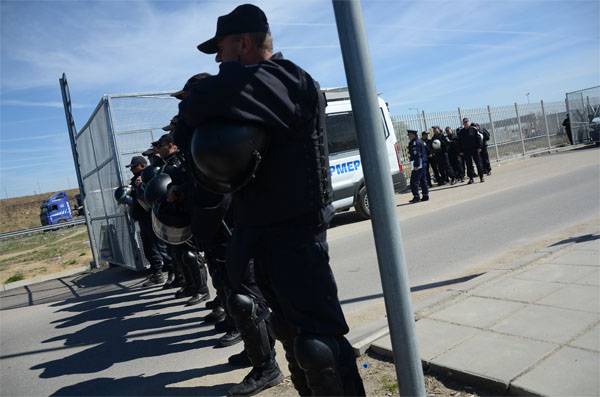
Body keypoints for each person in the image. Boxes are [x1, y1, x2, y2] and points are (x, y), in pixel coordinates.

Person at [178, 4, 365, 396]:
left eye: (222, 51)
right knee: (290, 334)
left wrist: (207, 90)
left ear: (243, 43)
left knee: (319, 346)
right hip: (262, 232)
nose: (218, 60)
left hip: (296, 237)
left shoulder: (283, 81)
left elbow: (195, 104)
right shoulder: (259, 87)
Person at [124, 156, 169, 286]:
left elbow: (149, 196)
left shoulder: (147, 176)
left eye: (134, 166)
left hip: (150, 217)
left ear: (141, 166)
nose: (132, 169)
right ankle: (157, 273)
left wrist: (139, 186)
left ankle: (175, 272)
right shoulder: (136, 180)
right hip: (142, 218)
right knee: (149, 248)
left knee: (160, 247)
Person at [458, 117, 484, 184]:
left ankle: (481, 177)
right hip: (466, 151)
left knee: (478, 163)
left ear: (469, 122)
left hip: (475, 149)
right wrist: (461, 151)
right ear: (463, 123)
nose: (466, 123)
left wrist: (479, 147)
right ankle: (471, 178)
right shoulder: (461, 132)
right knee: (469, 165)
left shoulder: (473, 129)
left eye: (467, 122)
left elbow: (479, 138)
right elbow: (460, 142)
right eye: (464, 122)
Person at [408, 130, 429, 203]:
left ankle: (416, 197)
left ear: (413, 135)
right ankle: (425, 195)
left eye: (409, 135)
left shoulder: (415, 143)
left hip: (418, 164)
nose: (408, 137)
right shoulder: (421, 141)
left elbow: (417, 154)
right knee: (423, 180)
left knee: (414, 181)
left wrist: (416, 165)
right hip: (423, 163)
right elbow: (427, 150)